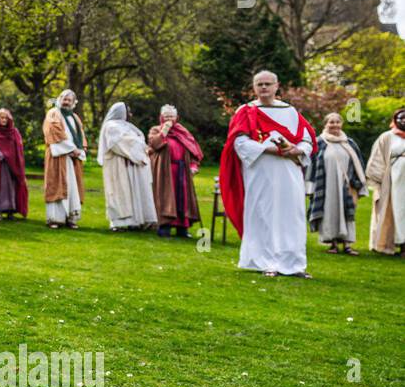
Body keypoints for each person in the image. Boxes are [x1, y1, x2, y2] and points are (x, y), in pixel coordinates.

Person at [219, 70, 317, 277]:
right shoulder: (245, 111)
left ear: (276, 86)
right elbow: (239, 142)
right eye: (259, 84)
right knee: (264, 214)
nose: (264, 88)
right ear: (253, 88)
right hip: (260, 172)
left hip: (289, 171)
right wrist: (271, 149)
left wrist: (296, 150)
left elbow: (307, 139)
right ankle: (265, 262)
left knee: (292, 216)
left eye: (268, 84)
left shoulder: (290, 111)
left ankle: (295, 264)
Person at [306, 112, 365, 255]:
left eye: (337, 122)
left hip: (347, 184)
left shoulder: (349, 142)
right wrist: (310, 186)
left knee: (347, 213)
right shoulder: (319, 142)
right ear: (325, 124)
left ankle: (347, 244)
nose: (334, 125)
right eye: (331, 122)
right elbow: (311, 165)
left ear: (342, 124)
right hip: (326, 185)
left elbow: (359, 163)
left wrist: (358, 184)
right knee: (329, 213)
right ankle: (332, 244)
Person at [97, 102, 157, 231]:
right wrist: (142, 149)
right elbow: (121, 143)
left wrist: (141, 147)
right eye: (128, 111)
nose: (130, 114)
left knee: (132, 192)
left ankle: (136, 221)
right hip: (117, 165)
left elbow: (137, 140)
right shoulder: (111, 126)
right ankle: (118, 223)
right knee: (120, 193)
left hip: (131, 165)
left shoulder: (128, 126)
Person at [147, 104, 202, 238]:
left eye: (171, 116)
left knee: (183, 199)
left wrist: (193, 167)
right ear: (161, 117)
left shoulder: (182, 132)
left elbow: (193, 151)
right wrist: (164, 130)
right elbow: (154, 145)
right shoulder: (156, 130)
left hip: (182, 170)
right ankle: (164, 227)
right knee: (166, 198)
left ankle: (182, 229)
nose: (169, 119)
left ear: (177, 117)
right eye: (166, 117)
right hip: (165, 171)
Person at [363, 106, 405, 256]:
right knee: (392, 213)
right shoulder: (387, 137)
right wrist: (380, 181)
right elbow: (377, 159)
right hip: (391, 184)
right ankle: (387, 245)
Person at [43, 89, 86, 229]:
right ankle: (55, 219)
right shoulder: (53, 113)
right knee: (57, 185)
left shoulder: (75, 117)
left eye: (69, 100)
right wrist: (71, 149)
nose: (66, 102)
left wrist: (81, 150)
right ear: (59, 99)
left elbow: (81, 136)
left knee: (73, 188)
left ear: (73, 102)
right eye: (64, 99)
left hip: (72, 159)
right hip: (59, 157)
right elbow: (54, 132)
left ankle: (71, 218)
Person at [0, 108, 28, 219]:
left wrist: (12, 156)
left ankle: (11, 210)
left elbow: (19, 147)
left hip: (13, 165)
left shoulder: (14, 132)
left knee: (12, 187)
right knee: (0, 187)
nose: (4, 120)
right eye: (2, 117)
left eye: (6, 118)